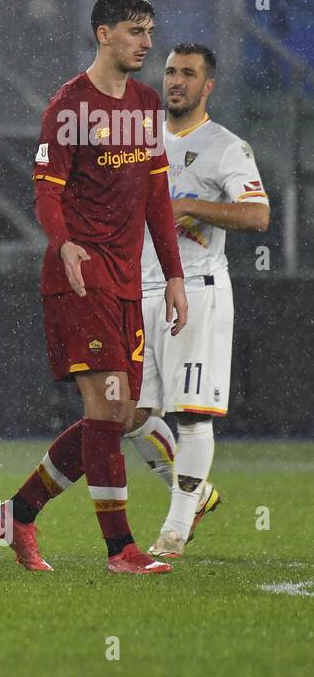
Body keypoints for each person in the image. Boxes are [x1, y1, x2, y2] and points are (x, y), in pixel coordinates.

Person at [0, 0, 188, 574]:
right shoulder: (68, 107)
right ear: (104, 35)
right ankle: (120, 549)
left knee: (119, 415)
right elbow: (46, 188)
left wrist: (173, 275)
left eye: (150, 31)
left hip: (129, 281)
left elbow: (157, 197)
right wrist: (64, 241)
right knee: (107, 406)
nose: (146, 43)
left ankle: (18, 513)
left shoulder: (147, 103)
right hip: (80, 276)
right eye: (134, 31)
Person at [122, 44, 268, 558]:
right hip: (138, 289)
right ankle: (196, 493)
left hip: (198, 292)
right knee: (127, 413)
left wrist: (190, 206)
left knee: (192, 416)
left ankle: (175, 531)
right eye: (170, 72)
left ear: (209, 86)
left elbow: (257, 215)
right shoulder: (139, 137)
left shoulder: (226, 147)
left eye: (188, 74)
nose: (175, 81)